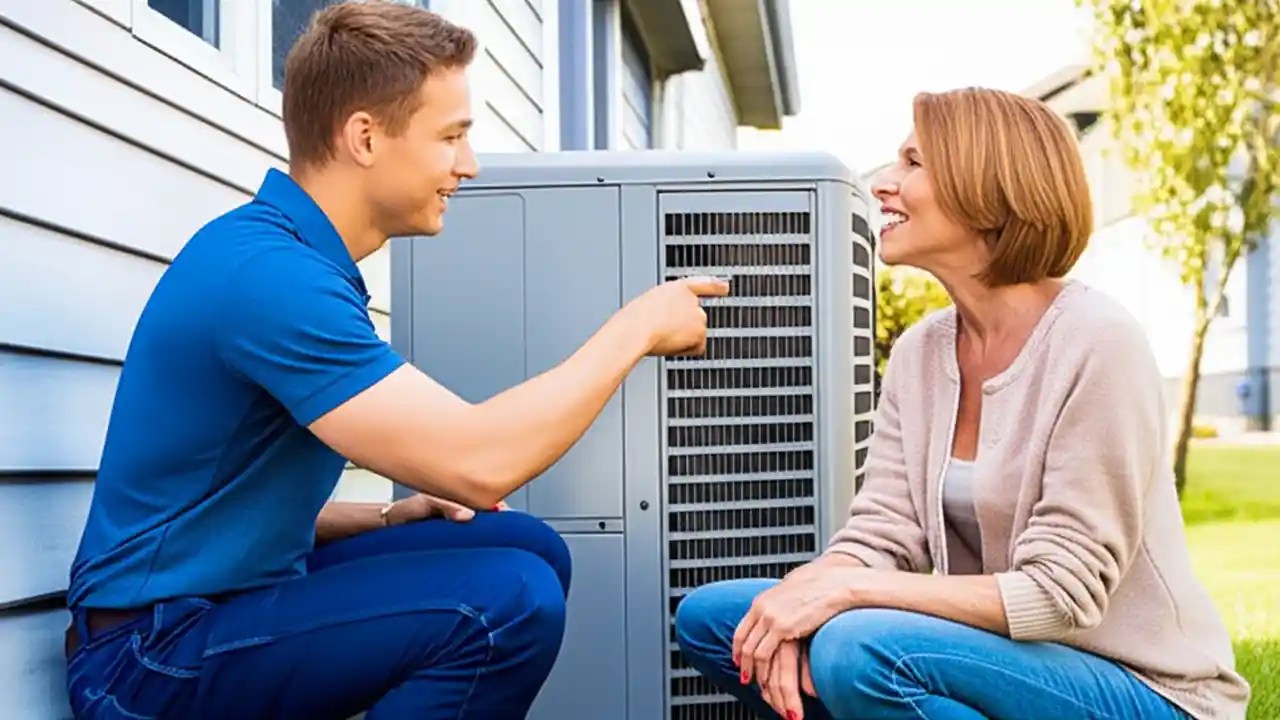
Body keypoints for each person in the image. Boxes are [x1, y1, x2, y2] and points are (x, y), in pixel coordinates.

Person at [62, 3, 728, 719]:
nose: (467, 166)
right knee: (505, 603)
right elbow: (478, 463)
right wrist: (634, 329)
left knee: (527, 546)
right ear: (366, 137)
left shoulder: (294, 258)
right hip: (147, 661)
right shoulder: (269, 277)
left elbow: (218, 506)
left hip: (218, 602)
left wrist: (387, 516)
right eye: (451, 137)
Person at [673, 87, 1251, 720]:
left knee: (854, 650)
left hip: (1144, 686)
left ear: (987, 189)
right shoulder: (921, 354)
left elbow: (1062, 597)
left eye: (913, 163)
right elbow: (879, 532)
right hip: (1008, 659)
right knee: (721, 620)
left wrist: (844, 591)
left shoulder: (1097, 341)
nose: (885, 185)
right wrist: (809, 597)